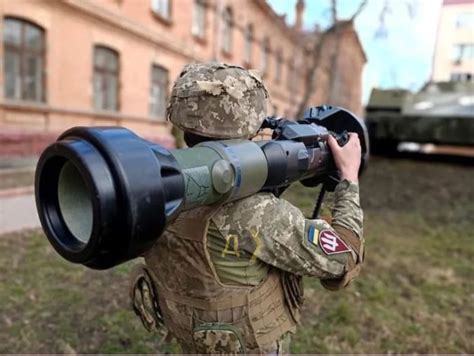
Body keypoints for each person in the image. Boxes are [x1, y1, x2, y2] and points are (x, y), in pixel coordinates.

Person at [130, 62, 364, 354]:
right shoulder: (255, 213)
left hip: (189, 334)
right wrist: (349, 179)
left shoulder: (152, 187)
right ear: (251, 123)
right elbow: (343, 258)